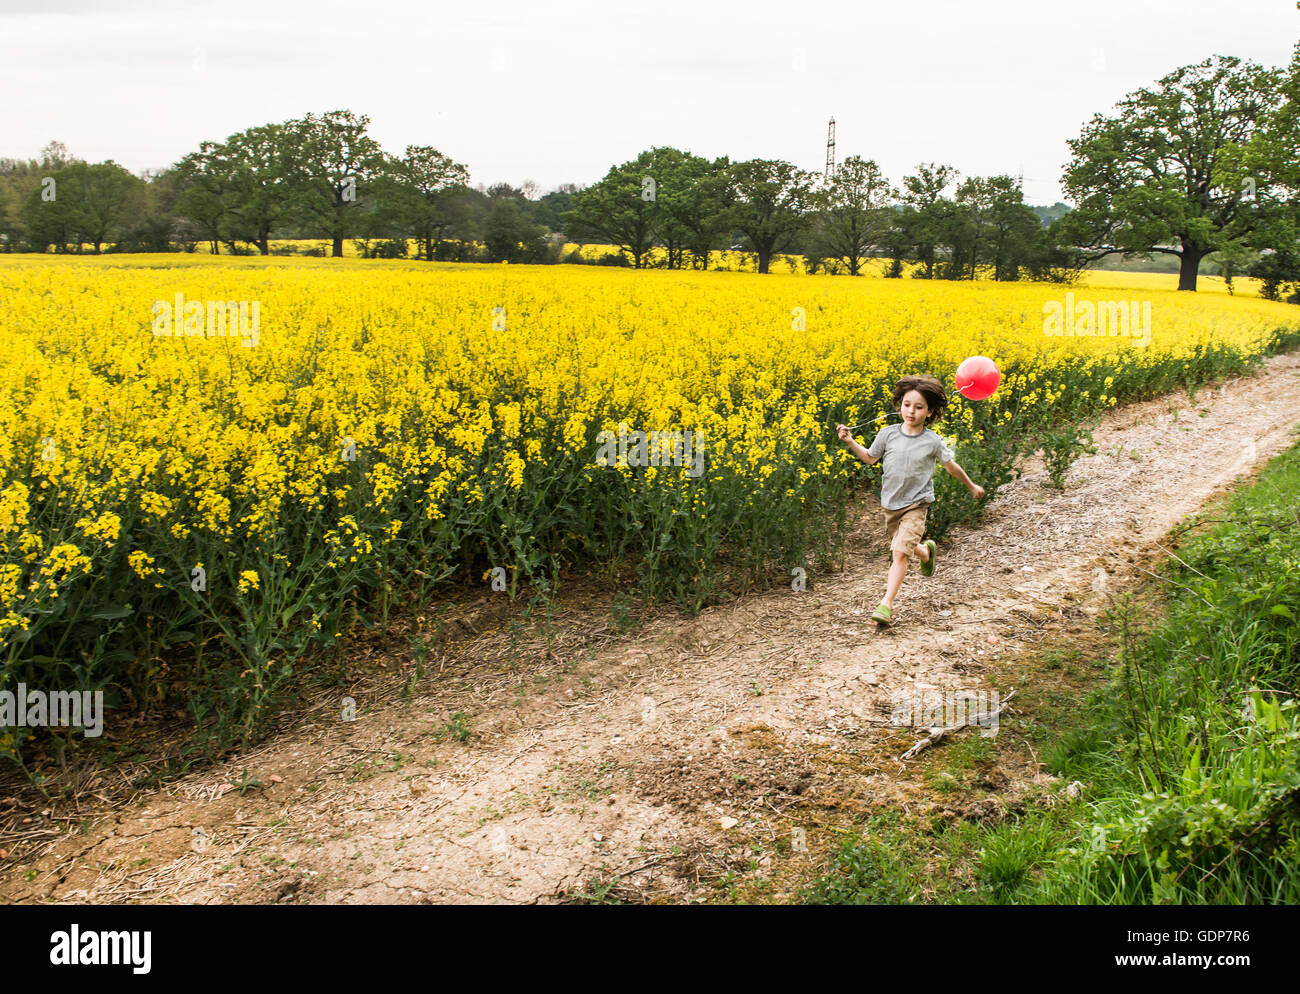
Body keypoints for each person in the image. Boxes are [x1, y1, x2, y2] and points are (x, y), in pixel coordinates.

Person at [836, 375, 985, 627]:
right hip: (891, 504)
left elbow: (951, 466)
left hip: (917, 504)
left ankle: (886, 604)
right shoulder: (887, 434)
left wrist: (971, 486)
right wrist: (850, 441)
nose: (911, 411)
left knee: (898, 552)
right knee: (904, 544)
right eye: (907, 405)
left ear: (929, 412)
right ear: (899, 405)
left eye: (919, 407)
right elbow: (871, 459)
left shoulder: (932, 441)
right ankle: (926, 552)